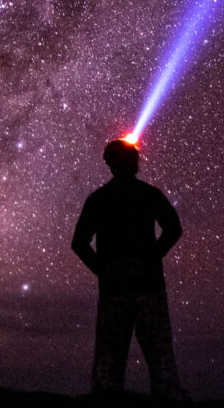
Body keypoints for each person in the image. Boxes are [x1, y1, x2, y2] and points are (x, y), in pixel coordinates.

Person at [72, 139, 187, 400]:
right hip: (148, 288)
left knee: (109, 361)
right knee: (160, 358)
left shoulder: (98, 200)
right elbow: (173, 228)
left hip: (115, 291)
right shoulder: (148, 194)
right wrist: (149, 261)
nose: (138, 159)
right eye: (133, 156)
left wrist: (105, 270)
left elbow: (79, 243)